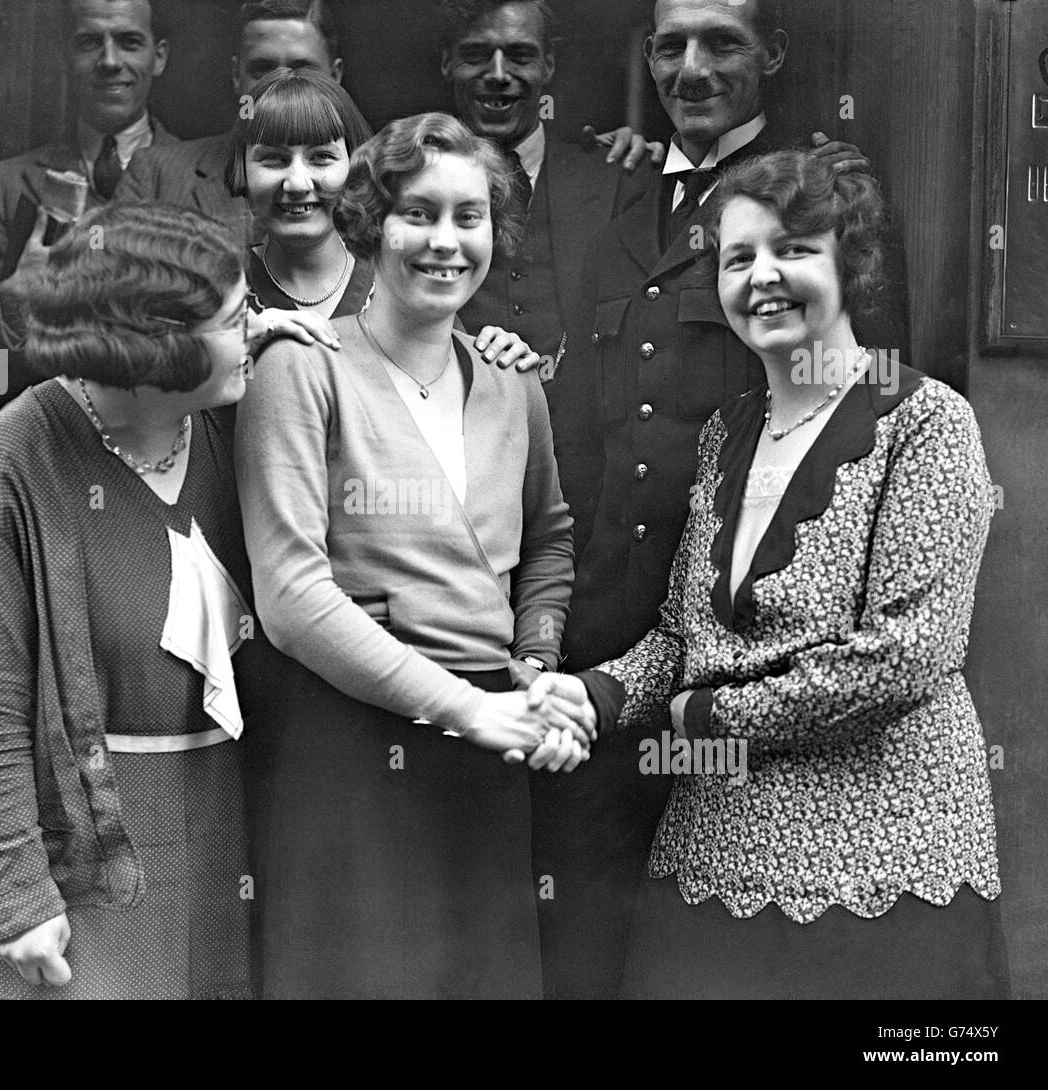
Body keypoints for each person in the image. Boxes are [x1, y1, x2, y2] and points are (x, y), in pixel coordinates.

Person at [536, 149, 1007, 999]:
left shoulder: (927, 423)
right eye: (738, 258)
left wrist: (702, 713)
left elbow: (905, 654)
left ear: (848, 263)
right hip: (715, 858)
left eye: (793, 249)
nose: (763, 277)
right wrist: (596, 694)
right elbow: (685, 636)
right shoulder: (728, 434)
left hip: (880, 865)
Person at [534, 0, 911, 999]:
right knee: (583, 931)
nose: (691, 68)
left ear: (772, 56)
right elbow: (569, 428)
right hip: (610, 642)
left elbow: (865, 410)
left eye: (722, 44)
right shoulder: (600, 198)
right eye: (669, 46)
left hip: (753, 649)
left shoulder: (817, 195)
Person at [234, 112, 596, 999]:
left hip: (489, 764)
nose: (446, 241)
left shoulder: (514, 382)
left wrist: (538, 668)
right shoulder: (302, 368)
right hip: (351, 759)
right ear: (368, 221)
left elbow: (548, 540)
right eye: (418, 214)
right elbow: (291, 599)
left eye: (469, 217)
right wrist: (470, 710)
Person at [0, 202, 271, 999]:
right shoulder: (7, 465)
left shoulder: (237, 426)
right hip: (80, 856)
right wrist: (17, 894)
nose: (257, 330)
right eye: (236, 319)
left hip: (228, 835)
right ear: (159, 346)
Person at [227, 66, 544, 366]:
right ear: (242, 168)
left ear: (354, 165)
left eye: (321, 158)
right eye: (273, 159)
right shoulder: (217, 284)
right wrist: (228, 348)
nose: (297, 183)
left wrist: (495, 355)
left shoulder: (404, 274)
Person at [439, 0, 663, 387]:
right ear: (447, 63)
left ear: (548, 65)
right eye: (476, 55)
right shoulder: (410, 185)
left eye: (520, 56)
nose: (497, 74)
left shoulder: (619, 176)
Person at [0, 0, 179, 367]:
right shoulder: (5, 184)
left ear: (159, 57)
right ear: (65, 58)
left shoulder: (207, 178)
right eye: (89, 42)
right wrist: (14, 297)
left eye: (129, 42)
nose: (109, 61)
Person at [118, 0, 345, 237]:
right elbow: (105, 269)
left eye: (301, 70)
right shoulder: (156, 176)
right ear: (237, 76)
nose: (278, 85)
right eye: (262, 69)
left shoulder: (372, 183)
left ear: (335, 77)